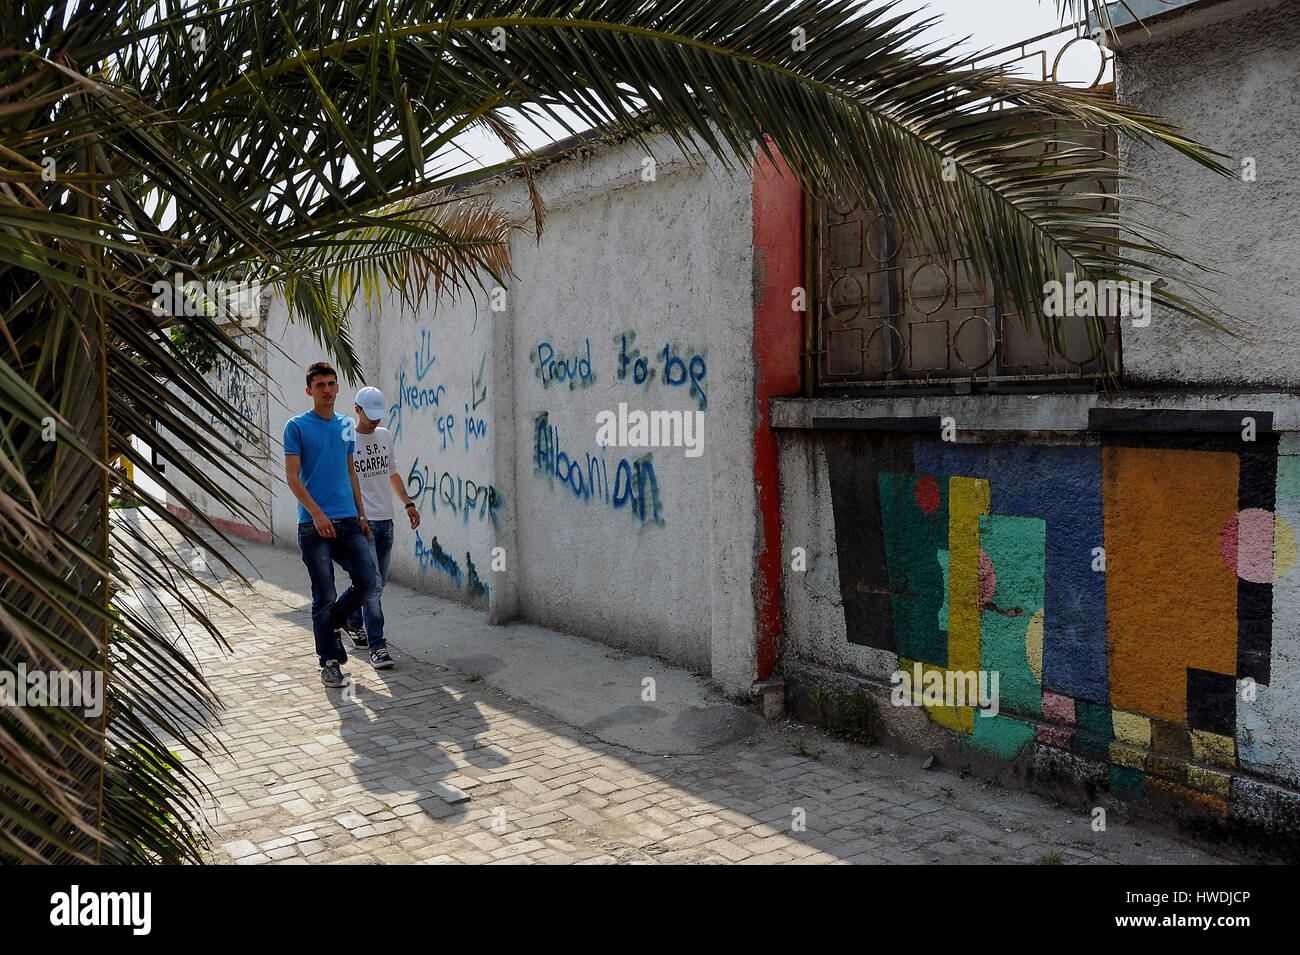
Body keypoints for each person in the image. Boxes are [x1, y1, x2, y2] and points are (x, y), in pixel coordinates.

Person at [284, 362, 379, 688]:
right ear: (310, 390)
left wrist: (362, 515)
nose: (327, 389)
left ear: (338, 388)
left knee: (368, 581)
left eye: (331, 383)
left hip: (349, 520)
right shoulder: (296, 426)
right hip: (314, 526)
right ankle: (329, 662)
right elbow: (293, 478)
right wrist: (316, 513)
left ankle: (334, 622)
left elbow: (352, 471)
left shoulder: (346, 425)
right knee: (324, 594)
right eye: (320, 384)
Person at [341, 386, 419, 669]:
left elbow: (391, 472)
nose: (375, 421)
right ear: (357, 409)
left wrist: (408, 504)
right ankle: (378, 647)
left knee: (376, 583)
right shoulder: (345, 437)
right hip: (361, 522)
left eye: (379, 416)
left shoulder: (384, 436)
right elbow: (342, 479)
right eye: (370, 415)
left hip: (386, 521)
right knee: (372, 585)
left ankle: (349, 618)